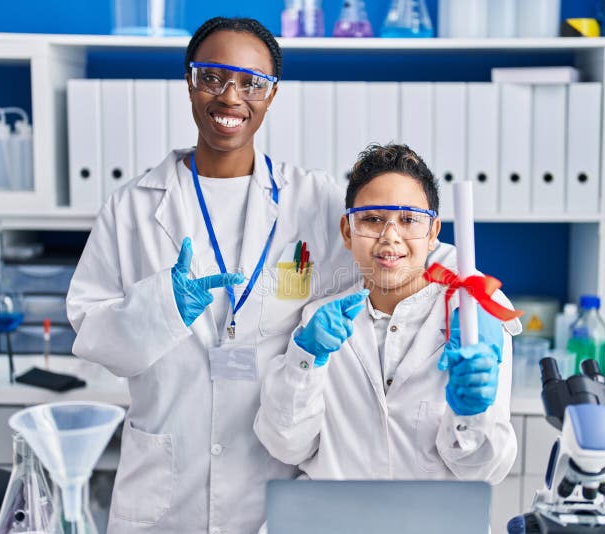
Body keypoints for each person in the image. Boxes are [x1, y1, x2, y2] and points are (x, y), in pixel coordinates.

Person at [66, 18, 454, 534]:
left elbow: (403, 248)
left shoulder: (312, 199)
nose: (230, 97)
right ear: (189, 81)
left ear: (271, 94)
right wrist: (160, 307)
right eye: (212, 77)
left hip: (271, 478)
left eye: (251, 83)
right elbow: (90, 330)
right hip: (165, 485)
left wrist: (475, 308)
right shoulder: (131, 208)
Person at [255, 143, 520, 484]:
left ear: (432, 233)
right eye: (372, 219)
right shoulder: (320, 322)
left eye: (408, 220)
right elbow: (286, 446)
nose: (390, 237)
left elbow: (486, 471)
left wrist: (471, 414)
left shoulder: (469, 321)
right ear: (347, 232)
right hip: (334, 512)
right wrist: (304, 359)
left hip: (433, 513)